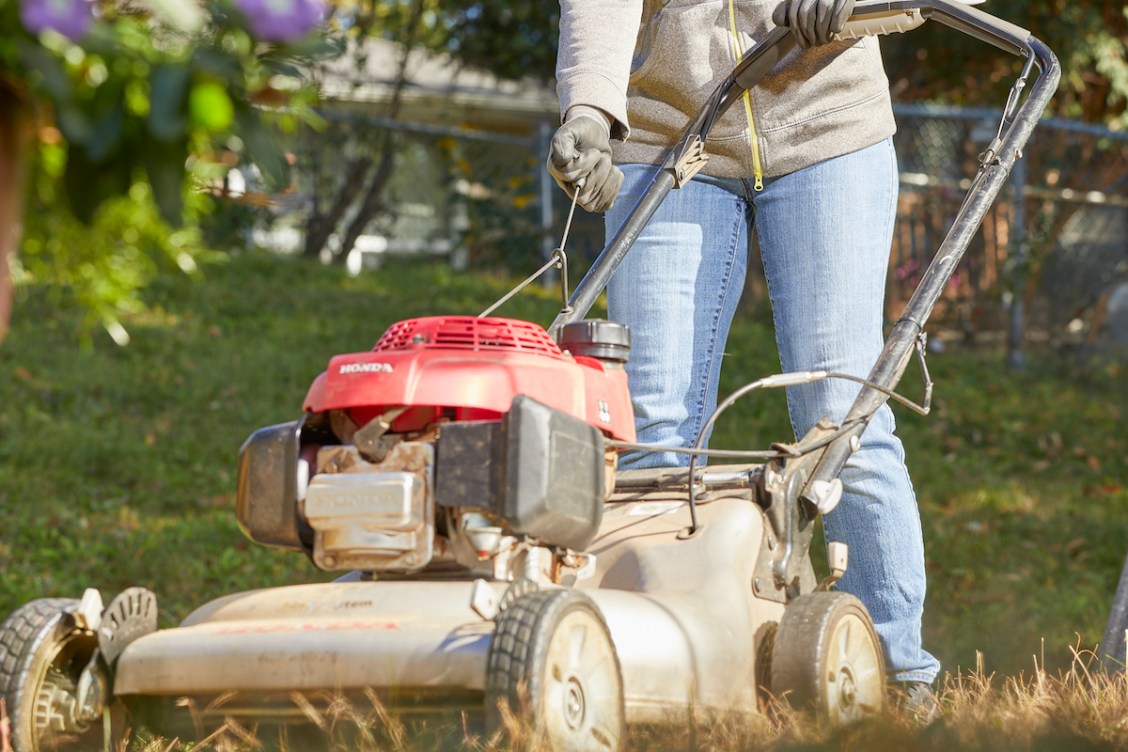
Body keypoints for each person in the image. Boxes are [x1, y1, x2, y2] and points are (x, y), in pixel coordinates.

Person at [547, 0, 941, 716]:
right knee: (653, 428)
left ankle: (898, 676)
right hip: (666, 131)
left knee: (841, 414)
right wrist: (588, 112)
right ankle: (664, 672)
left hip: (826, 125)